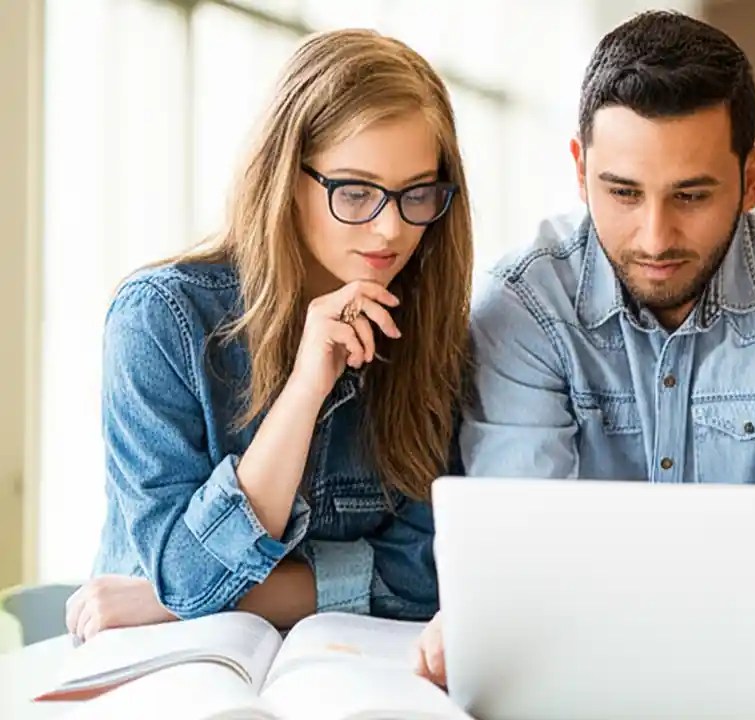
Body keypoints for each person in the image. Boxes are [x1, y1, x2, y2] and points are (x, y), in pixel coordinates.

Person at [414, 10, 755, 702]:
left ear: (752, 177)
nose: (655, 237)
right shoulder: (525, 305)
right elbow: (520, 570)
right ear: (580, 169)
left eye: (692, 195)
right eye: (622, 192)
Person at [66, 29, 472, 641]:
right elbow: (186, 575)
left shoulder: (435, 333)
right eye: (355, 192)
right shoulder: (161, 320)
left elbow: (429, 573)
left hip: (346, 671)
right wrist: (305, 390)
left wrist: (217, 597)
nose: (391, 229)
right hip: (169, 671)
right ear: (286, 177)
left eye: (416, 193)